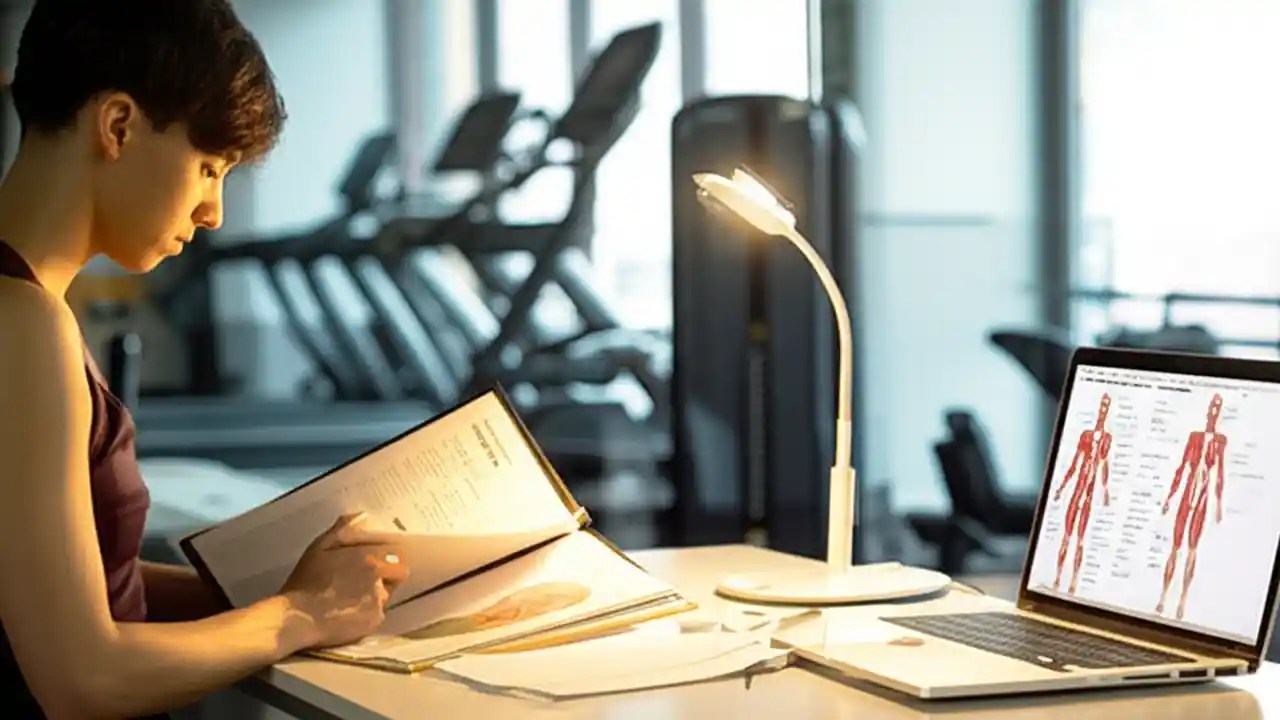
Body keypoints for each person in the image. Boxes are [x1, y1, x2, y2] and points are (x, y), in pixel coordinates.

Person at [0, 2, 409, 718]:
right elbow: (82, 678)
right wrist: (301, 615)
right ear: (118, 125)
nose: (213, 211)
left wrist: (282, 593)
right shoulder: (21, 324)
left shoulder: (29, 308)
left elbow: (74, 586)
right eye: (209, 167)